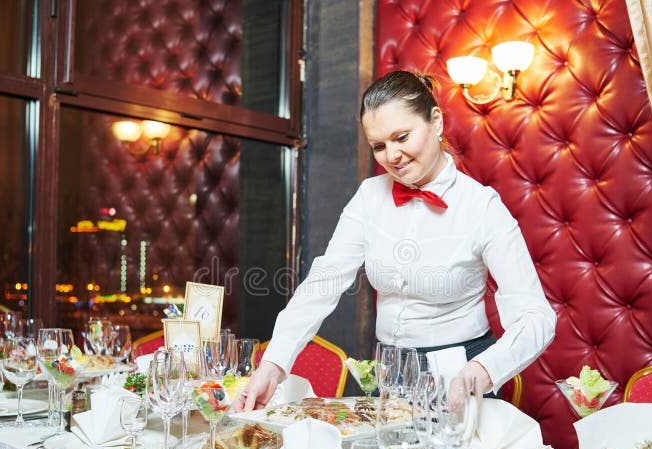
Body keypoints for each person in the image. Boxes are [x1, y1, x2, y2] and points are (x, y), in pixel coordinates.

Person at [236, 70, 556, 411]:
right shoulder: (369, 196)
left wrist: (482, 370)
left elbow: (536, 317)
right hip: (390, 379)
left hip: (460, 379)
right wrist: (274, 363)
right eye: (379, 145)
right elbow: (324, 281)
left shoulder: (482, 207)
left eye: (401, 137)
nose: (392, 156)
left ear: (436, 122)